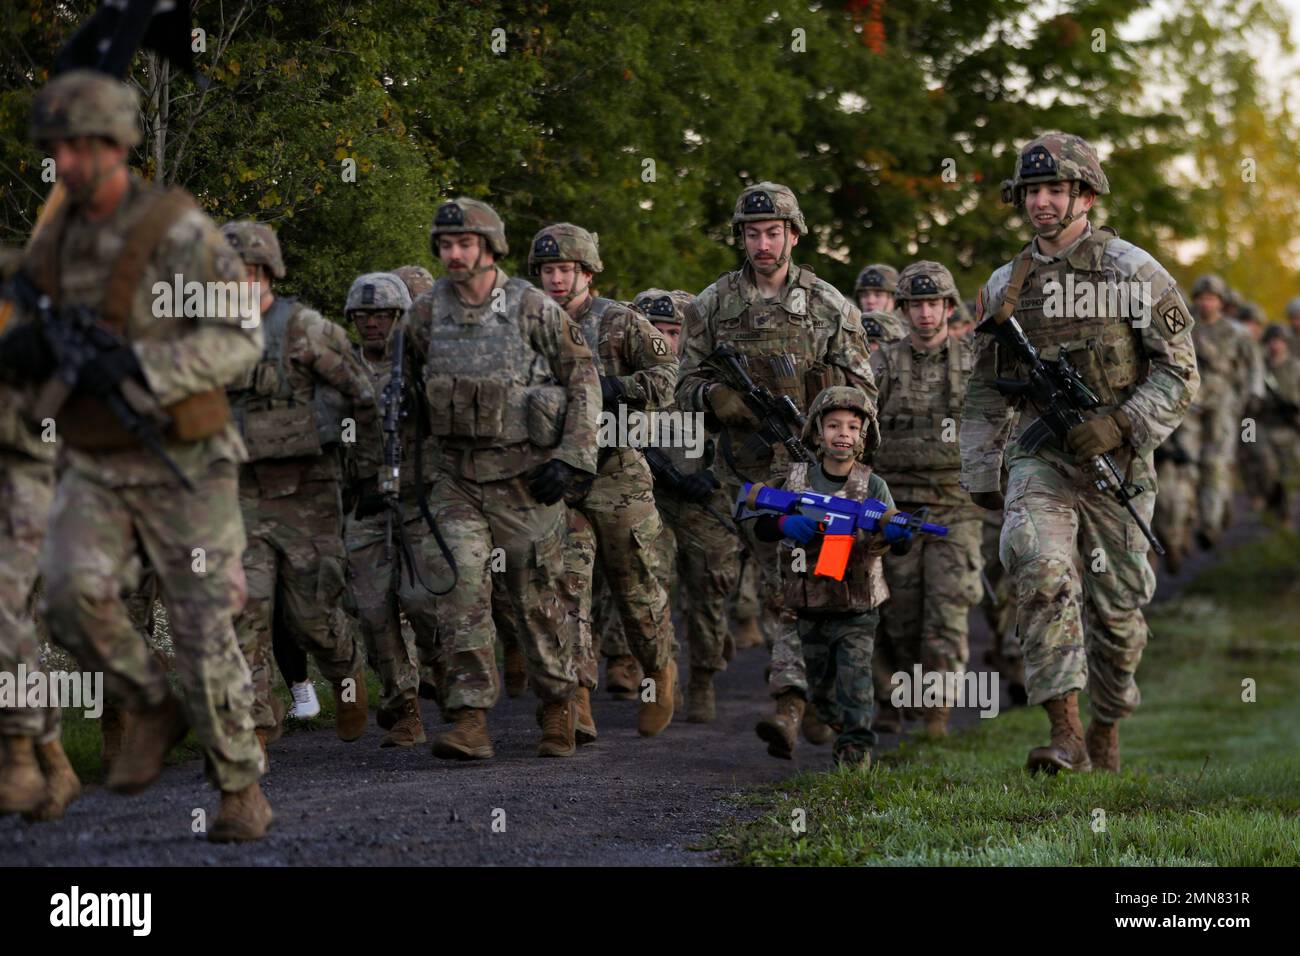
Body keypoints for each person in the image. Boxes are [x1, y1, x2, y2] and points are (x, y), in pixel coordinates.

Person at [0, 70, 270, 839]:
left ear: (115, 146)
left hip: (184, 456)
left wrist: (145, 370)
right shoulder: (56, 240)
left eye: (77, 146)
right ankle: (150, 701)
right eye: (54, 148)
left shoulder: (176, 232)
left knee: (200, 625)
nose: (64, 162)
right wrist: (26, 348)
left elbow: (239, 339)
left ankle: (238, 783)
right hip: (94, 455)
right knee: (64, 593)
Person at [961, 132, 1199, 773]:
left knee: (1118, 615)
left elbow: (1179, 373)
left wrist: (1121, 424)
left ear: (1085, 195)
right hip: (1043, 458)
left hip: (1117, 462)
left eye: (1054, 190)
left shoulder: (1134, 270)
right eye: (1031, 191)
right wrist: (983, 468)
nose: (1040, 202)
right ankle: (1063, 731)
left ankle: (1107, 721)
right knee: (1038, 571)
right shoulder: (1005, 285)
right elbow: (984, 385)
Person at [677, 182, 875, 743]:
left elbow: (864, 389)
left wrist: (828, 420)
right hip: (747, 476)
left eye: (773, 233)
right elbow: (682, 380)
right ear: (740, 237)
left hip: (819, 472)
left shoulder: (830, 304)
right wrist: (716, 399)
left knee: (819, 583)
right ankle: (790, 699)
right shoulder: (713, 303)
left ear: (793, 234)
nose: (762, 244)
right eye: (752, 233)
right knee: (783, 583)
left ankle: (806, 699)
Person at [403, 198, 600, 759]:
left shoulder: (531, 307)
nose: (454, 254)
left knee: (537, 599)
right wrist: (401, 472)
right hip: (456, 478)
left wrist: (571, 457)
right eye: (445, 245)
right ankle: (468, 718)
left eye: (465, 243)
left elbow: (583, 378)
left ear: (490, 247)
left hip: (525, 476)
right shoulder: (425, 313)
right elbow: (408, 392)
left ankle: (560, 704)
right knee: (460, 587)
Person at [223, 220, 374, 754]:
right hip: (240, 494)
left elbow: (365, 397)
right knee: (245, 610)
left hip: (307, 492)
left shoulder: (306, 329)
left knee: (310, 616)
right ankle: (260, 720)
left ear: (264, 272)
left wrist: (370, 472)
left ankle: (348, 675)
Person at [529, 223, 679, 738]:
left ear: (587, 272)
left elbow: (669, 377)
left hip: (618, 473)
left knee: (637, 590)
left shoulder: (620, 321)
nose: (554, 279)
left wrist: (618, 386)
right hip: (561, 477)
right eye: (547, 270)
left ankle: (660, 670)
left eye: (564, 269)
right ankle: (576, 700)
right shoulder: (523, 324)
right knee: (566, 589)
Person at [744, 386, 908, 766]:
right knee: (821, 690)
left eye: (853, 426)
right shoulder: (797, 480)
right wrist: (786, 521)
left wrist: (896, 536)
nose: (843, 434)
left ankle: (856, 750)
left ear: (864, 436)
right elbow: (763, 527)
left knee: (855, 682)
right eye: (833, 425)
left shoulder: (873, 485)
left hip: (856, 608)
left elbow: (897, 539)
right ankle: (835, 723)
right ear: (817, 434)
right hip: (807, 604)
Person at [869, 261, 983, 738]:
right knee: (897, 611)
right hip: (896, 505)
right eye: (915, 305)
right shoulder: (881, 364)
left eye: (932, 303)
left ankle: (936, 711)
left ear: (948, 307)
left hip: (955, 504)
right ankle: (895, 697)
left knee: (948, 607)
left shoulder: (973, 361)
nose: (924, 314)